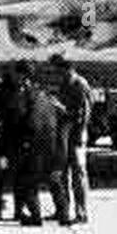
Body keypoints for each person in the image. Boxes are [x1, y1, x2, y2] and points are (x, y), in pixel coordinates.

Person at [15, 63, 70, 227]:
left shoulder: (26, 95)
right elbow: (62, 116)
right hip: (53, 143)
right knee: (54, 180)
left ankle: (36, 216)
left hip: (34, 143)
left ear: (23, 77)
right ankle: (64, 215)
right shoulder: (46, 95)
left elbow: (21, 119)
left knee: (29, 181)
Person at [50, 53, 92, 224]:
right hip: (65, 135)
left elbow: (83, 114)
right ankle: (63, 210)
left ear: (66, 68)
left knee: (78, 173)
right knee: (62, 174)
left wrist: (61, 108)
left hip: (75, 135)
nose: (55, 74)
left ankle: (81, 212)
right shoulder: (65, 83)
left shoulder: (79, 84)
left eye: (57, 70)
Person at [0, 69, 23, 219]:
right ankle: (18, 210)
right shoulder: (19, 99)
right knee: (17, 178)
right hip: (15, 142)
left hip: (2, 143)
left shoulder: (0, 97)